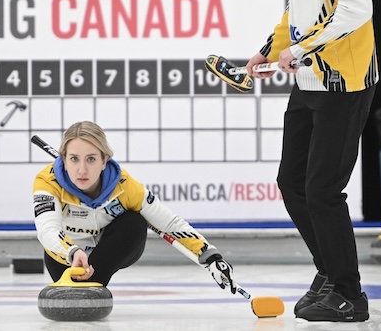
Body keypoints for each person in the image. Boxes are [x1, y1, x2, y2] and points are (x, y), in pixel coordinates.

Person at [225, 0, 379, 323]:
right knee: (291, 182)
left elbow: (357, 9)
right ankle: (329, 272)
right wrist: (270, 49)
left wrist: (301, 50)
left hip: (345, 80)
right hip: (308, 76)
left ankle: (350, 296)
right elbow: (300, 4)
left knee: (322, 189)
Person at [32, 121, 235, 293]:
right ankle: (86, 284)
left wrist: (211, 256)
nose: (82, 169)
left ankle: (94, 284)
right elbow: (47, 230)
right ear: (64, 160)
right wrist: (72, 252)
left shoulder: (124, 186)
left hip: (105, 255)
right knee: (57, 246)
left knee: (134, 221)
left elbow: (170, 223)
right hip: (65, 260)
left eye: (91, 159)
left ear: (104, 161)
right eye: (74, 159)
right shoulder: (47, 183)